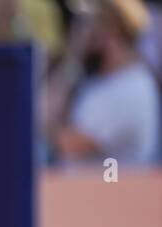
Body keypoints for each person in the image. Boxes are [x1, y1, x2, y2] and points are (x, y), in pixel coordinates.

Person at [49, 0, 160, 166]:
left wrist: (73, 58)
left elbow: (65, 144)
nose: (79, 31)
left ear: (110, 30)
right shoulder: (104, 78)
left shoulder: (130, 88)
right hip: (87, 189)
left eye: (86, 23)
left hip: (109, 190)